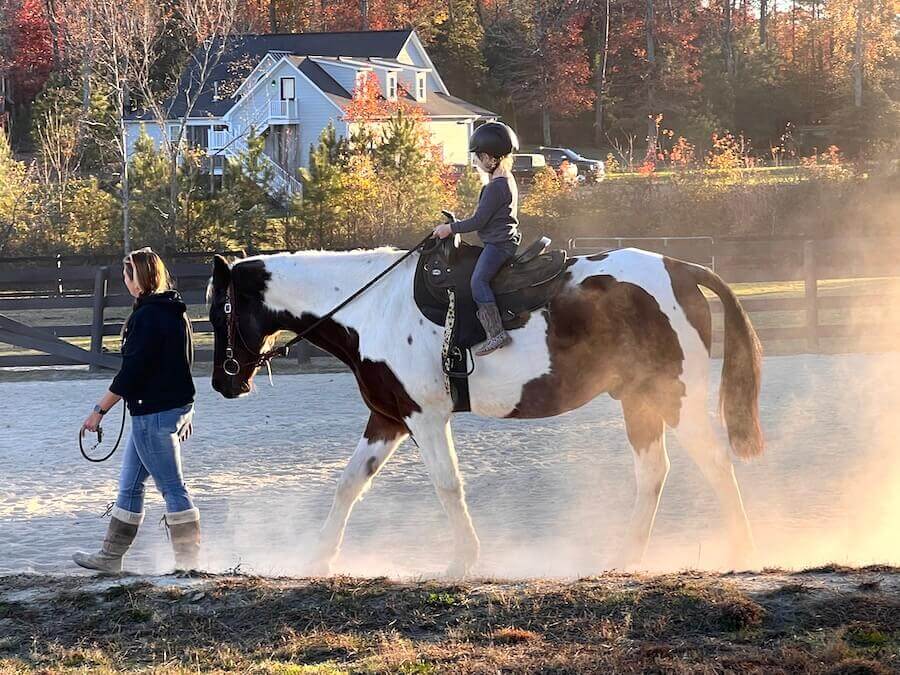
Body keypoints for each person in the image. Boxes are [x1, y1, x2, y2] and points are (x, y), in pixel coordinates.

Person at [73, 247, 199, 573]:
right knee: (130, 486)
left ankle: (188, 564)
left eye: (127, 276)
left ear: (138, 279)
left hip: (153, 414)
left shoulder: (147, 317)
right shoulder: (175, 311)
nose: (125, 281)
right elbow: (185, 362)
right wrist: (186, 409)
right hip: (166, 410)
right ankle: (110, 557)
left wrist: (99, 411)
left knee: (172, 488)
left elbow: (131, 373)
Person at [433, 121, 522, 356]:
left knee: (478, 282)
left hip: (498, 245)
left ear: (490, 158)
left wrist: (450, 229)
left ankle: (496, 333)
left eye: (478, 157)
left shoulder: (496, 187)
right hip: (503, 240)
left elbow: (478, 221)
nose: (476, 162)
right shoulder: (506, 179)